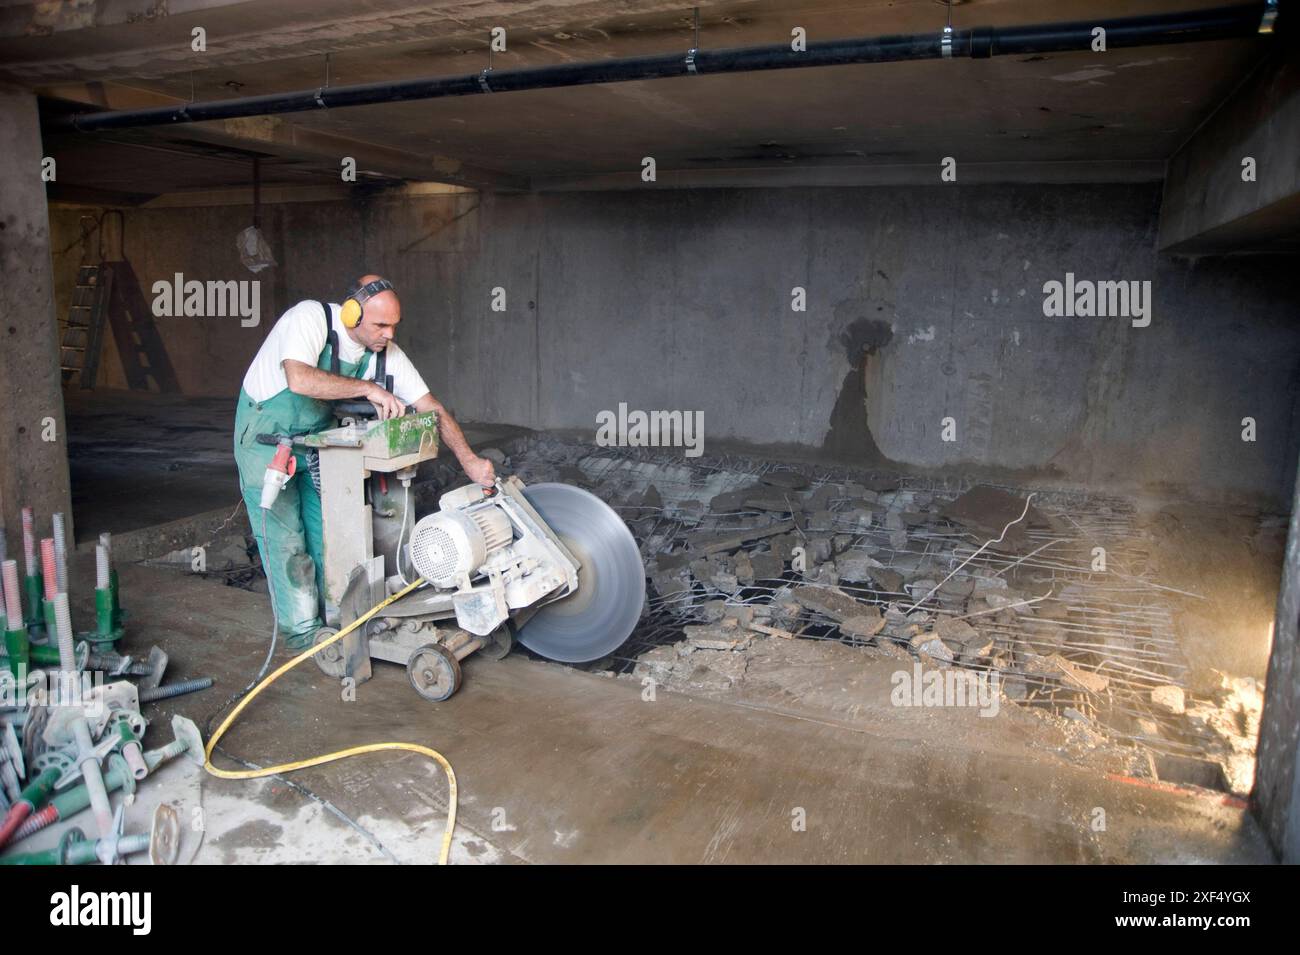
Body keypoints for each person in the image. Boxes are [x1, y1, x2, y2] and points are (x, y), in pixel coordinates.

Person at [233, 274, 495, 647]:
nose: (389, 334)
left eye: (394, 326)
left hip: (316, 444)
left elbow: (430, 407)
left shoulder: (383, 352)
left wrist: (470, 461)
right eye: (381, 325)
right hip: (265, 441)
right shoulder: (310, 319)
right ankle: (304, 636)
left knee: (331, 535)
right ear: (353, 313)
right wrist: (369, 388)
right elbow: (300, 380)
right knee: (287, 541)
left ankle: (341, 620)